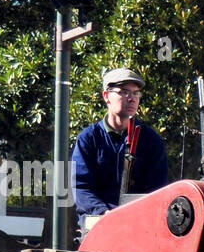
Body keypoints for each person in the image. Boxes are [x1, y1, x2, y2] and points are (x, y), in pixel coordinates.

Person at [72, 67, 169, 229]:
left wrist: (133, 216)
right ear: (106, 96)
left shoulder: (151, 140)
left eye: (136, 93)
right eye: (124, 91)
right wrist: (103, 213)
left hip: (138, 223)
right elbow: (81, 187)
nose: (131, 98)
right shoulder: (88, 139)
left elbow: (158, 190)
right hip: (99, 222)